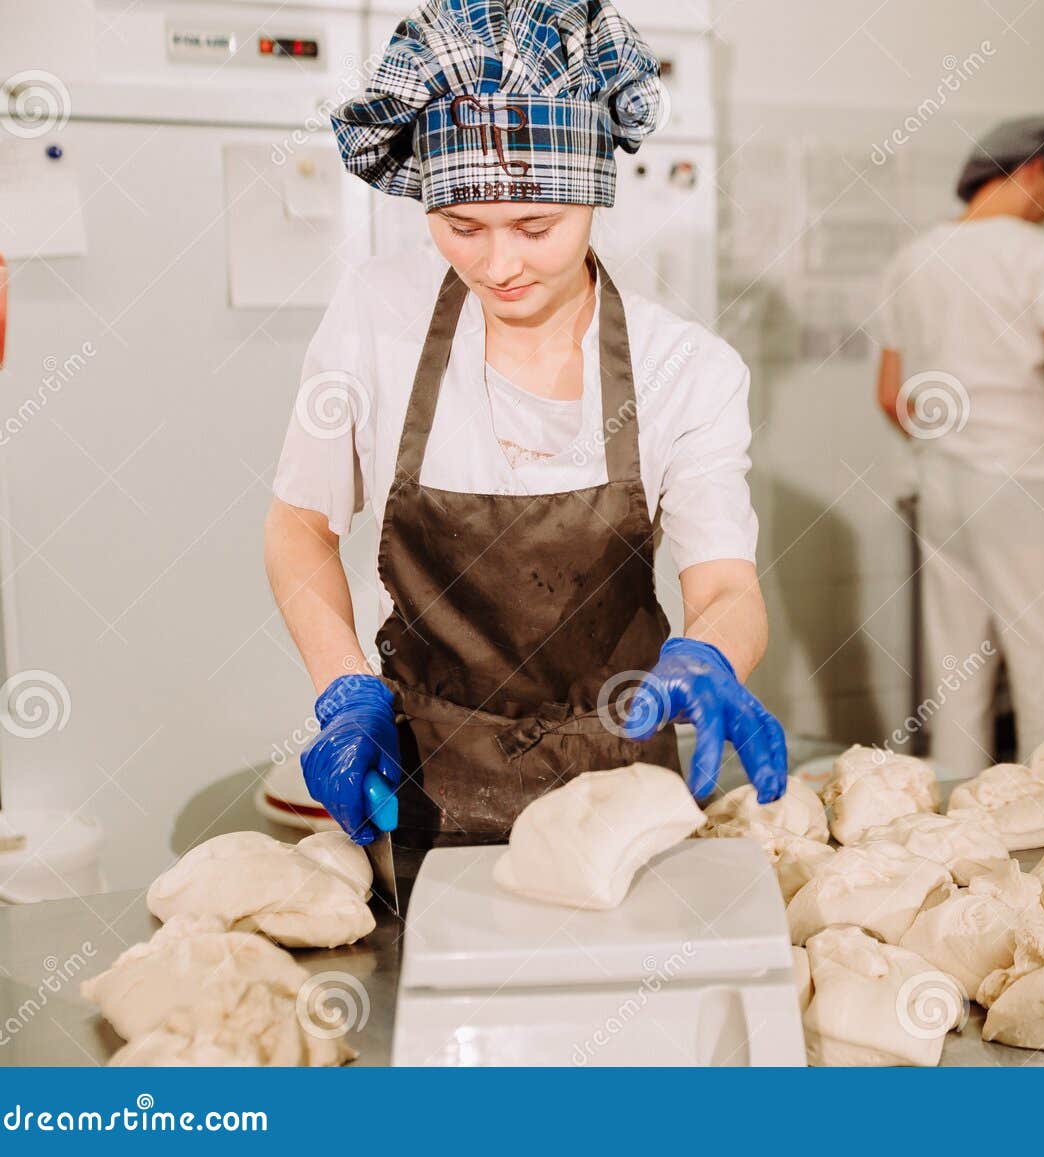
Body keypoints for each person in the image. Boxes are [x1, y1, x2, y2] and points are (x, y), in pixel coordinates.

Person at [263, 0, 785, 896]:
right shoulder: (374, 320)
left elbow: (729, 588)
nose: (499, 263)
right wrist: (343, 689)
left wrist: (708, 658)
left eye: (536, 225)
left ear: (593, 189)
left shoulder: (684, 367)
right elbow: (299, 526)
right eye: (462, 225)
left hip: (625, 810)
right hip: (426, 792)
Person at [869, 116, 1044, 776]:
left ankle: (961, 826)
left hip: (942, 483)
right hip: (1016, 483)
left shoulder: (913, 258)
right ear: (1033, 171)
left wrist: (952, 439)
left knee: (959, 669)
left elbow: (889, 395)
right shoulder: (1037, 253)